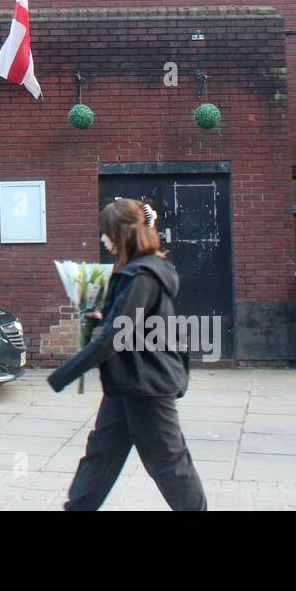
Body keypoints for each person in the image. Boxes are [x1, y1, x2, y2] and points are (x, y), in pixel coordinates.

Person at [48, 198, 206, 511]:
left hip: (147, 385)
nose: (103, 240)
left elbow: (114, 339)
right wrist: (103, 318)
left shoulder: (141, 276)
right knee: (101, 455)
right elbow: (129, 325)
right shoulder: (139, 271)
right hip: (128, 383)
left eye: (105, 233)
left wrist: (63, 374)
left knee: (169, 465)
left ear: (120, 236)